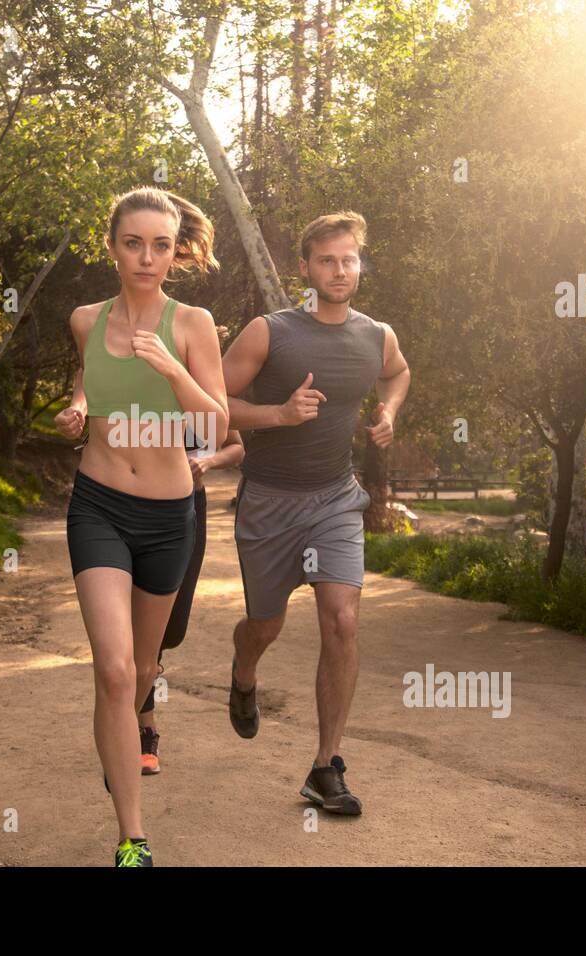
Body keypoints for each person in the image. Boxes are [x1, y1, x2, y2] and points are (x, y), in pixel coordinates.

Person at [54, 186, 228, 867]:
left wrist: (171, 368)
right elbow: (90, 377)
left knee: (148, 665)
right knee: (116, 670)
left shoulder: (193, 324)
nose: (147, 257)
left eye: (161, 244)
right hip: (97, 504)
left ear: (176, 250)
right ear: (112, 247)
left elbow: (215, 423)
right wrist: (77, 405)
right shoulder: (85, 318)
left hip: (168, 516)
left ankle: (124, 745)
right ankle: (133, 840)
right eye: (134, 243)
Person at [220, 210, 410, 815]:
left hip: (335, 499)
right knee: (265, 626)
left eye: (349, 259)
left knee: (342, 621)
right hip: (270, 503)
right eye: (326, 260)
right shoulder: (268, 332)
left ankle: (326, 767)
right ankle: (244, 674)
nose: (339, 270)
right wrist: (277, 414)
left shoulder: (377, 336)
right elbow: (207, 404)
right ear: (305, 268)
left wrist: (389, 412)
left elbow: (399, 373)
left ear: (361, 265)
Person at [137, 427, 244, 773]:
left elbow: (236, 447)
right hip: (136, 502)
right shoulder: (138, 383)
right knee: (140, 625)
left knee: (172, 629)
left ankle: (136, 703)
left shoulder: (199, 389)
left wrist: (209, 462)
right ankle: (143, 728)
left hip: (188, 506)